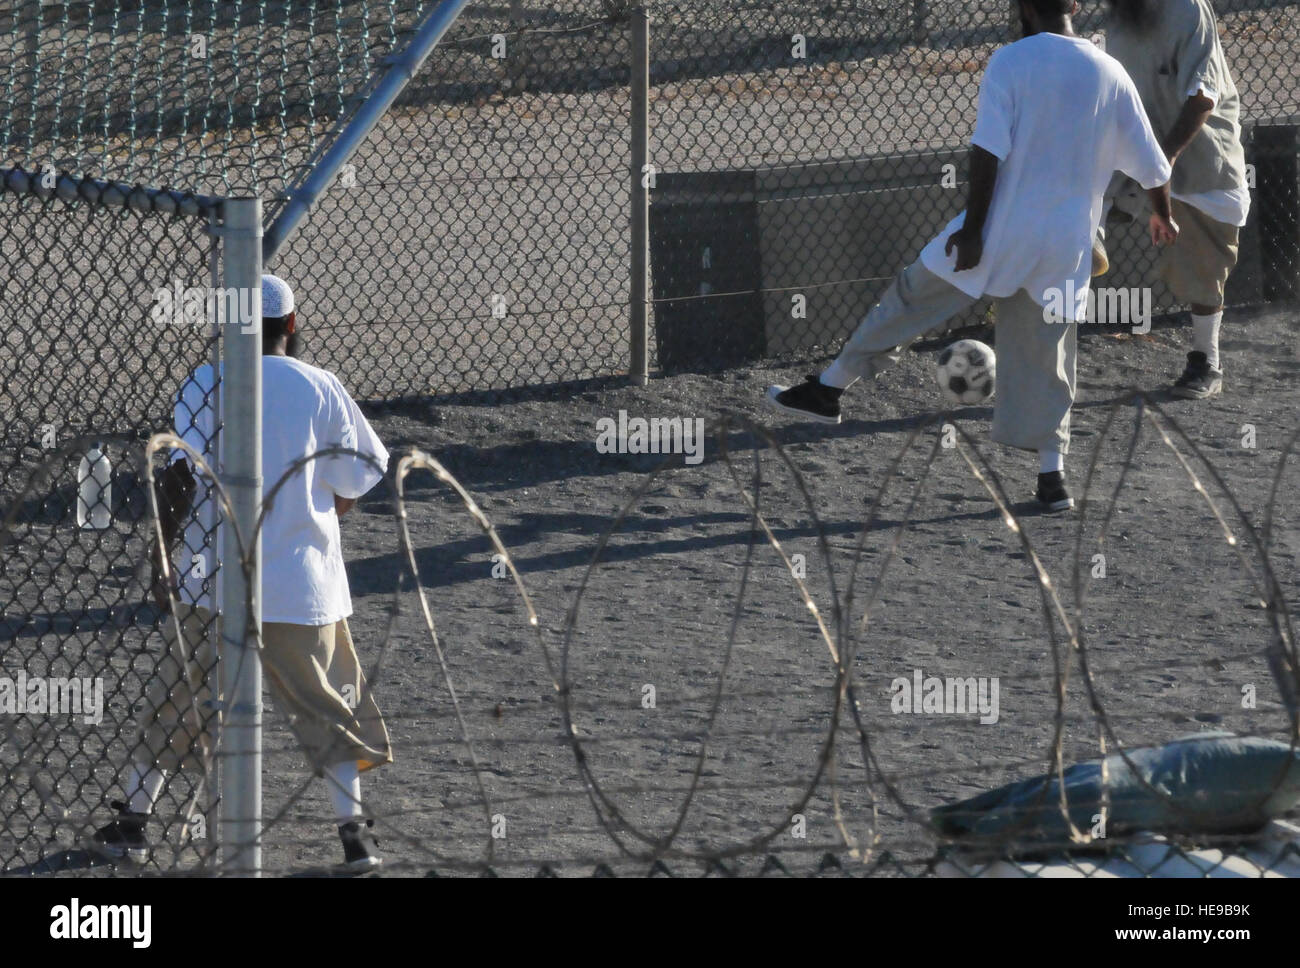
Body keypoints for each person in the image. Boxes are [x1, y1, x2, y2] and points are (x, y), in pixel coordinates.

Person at [765, 0, 1177, 512]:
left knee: (911, 299)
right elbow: (1154, 165)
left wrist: (975, 231)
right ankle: (1053, 478)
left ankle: (829, 389)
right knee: (1049, 354)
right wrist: (1162, 215)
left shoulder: (1011, 60)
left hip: (1002, 229)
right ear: (1075, 5)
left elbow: (987, 151)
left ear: (1024, 7)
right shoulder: (1110, 69)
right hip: (1067, 240)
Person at [88, 274, 393, 873]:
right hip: (300, 582)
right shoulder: (321, 386)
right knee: (323, 700)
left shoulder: (209, 381)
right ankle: (354, 834)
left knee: (180, 696)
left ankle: (132, 824)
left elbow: (179, 479)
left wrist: (162, 555)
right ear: (293, 326)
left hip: (216, 577)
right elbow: (355, 483)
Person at [1100, 0, 1250, 399]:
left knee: (1202, 262)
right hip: (1134, 150)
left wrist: (1161, 163)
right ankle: (1048, 345)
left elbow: (1202, 96)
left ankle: (1206, 359)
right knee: (1078, 213)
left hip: (1198, 153)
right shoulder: (1119, 15)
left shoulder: (1188, 10)